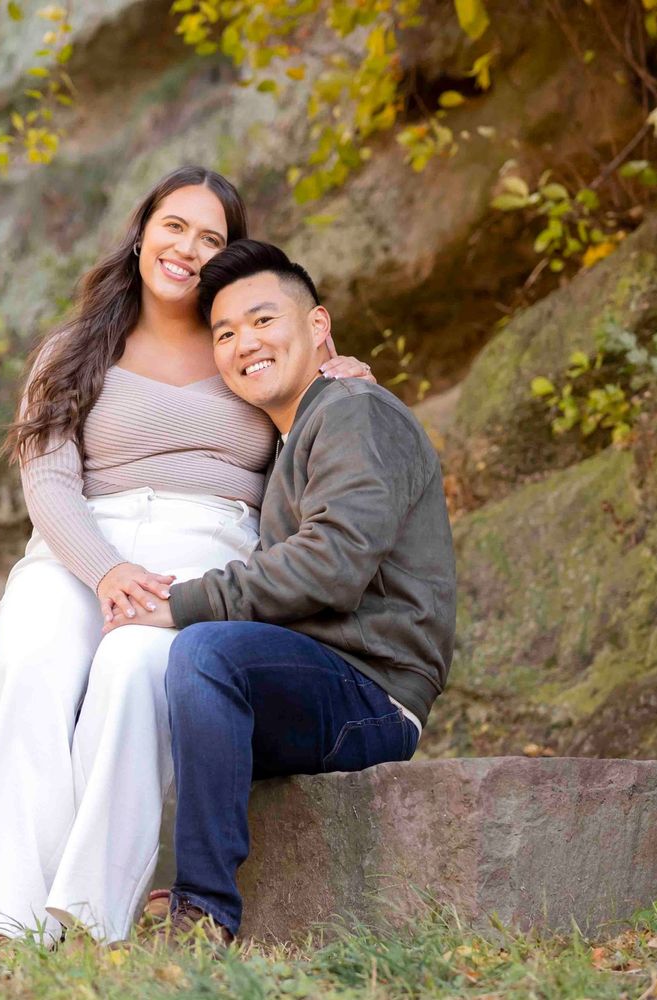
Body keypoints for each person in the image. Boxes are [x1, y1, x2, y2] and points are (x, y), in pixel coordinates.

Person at [0, 168, 376, 947]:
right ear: (143, 231)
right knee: (34, 657)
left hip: (205, 544)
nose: (187, 249)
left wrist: (336, 375)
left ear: (227, 258)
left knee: (133, 667)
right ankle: (2, 921)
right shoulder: (74, 349)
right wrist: (104, 569)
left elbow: (309, 431)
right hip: (81, 546)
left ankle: (89, 921)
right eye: (175, 226)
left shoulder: (242, 348)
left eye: (211, 239)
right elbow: (47, 479)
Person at [106, 239, 456, 945]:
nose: (245, 344)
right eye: (225, 334)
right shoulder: (297, 434)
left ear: (318, 325)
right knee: (152, 679)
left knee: (205, 653)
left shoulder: (353, 410)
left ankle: (204, 913)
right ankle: (82, 905)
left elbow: (333, 564)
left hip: (372, 692)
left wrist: (181, 603)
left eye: (264, 320)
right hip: (319, 678)